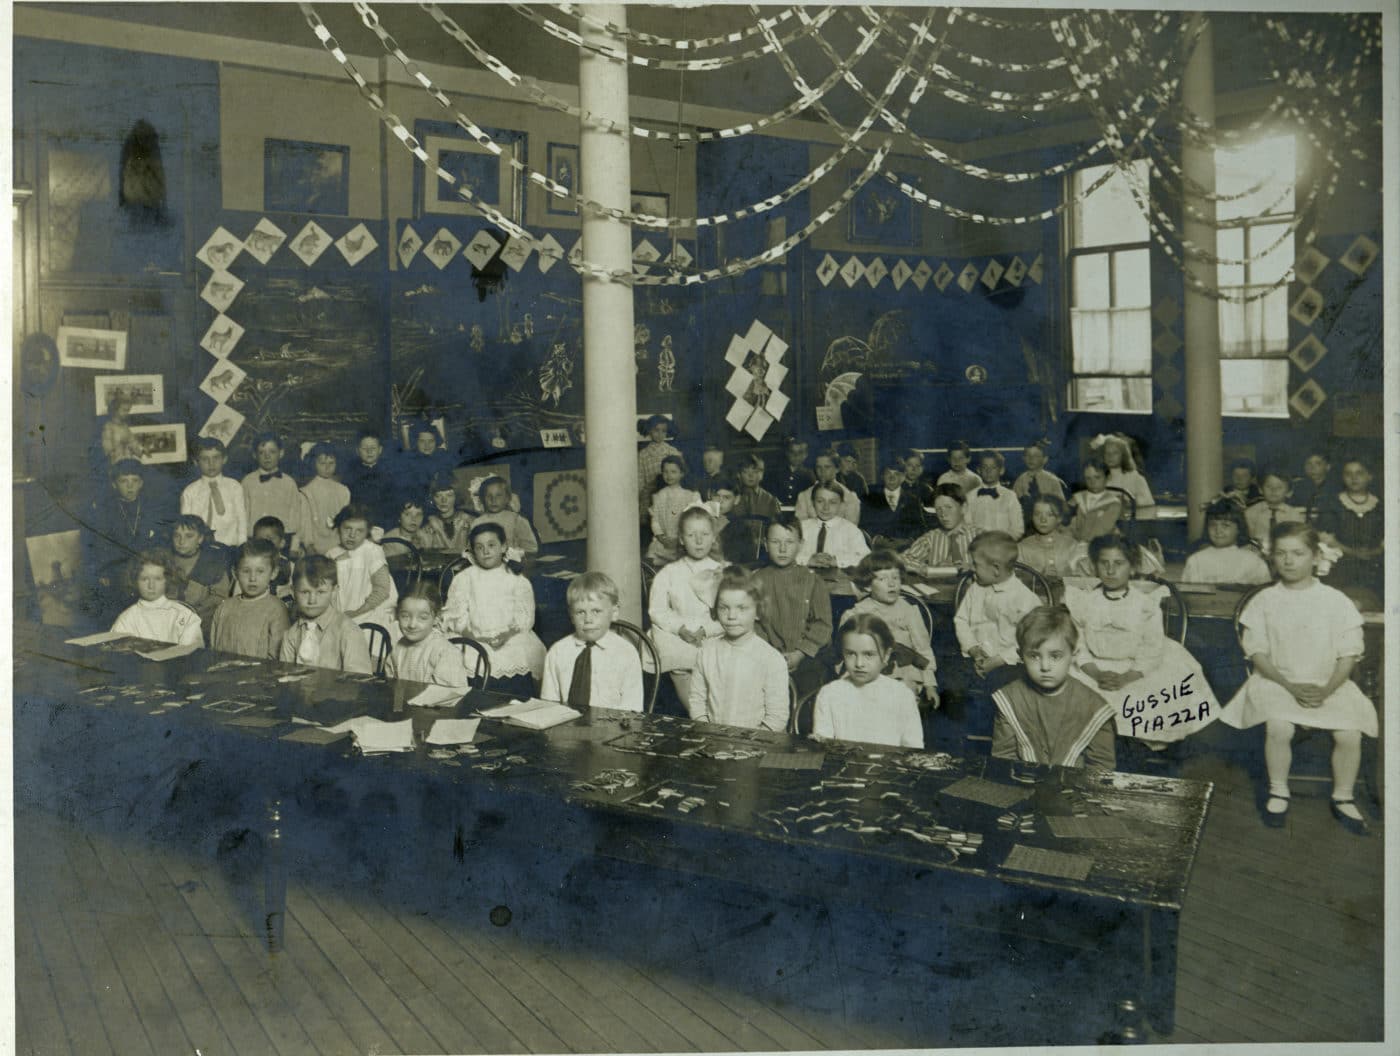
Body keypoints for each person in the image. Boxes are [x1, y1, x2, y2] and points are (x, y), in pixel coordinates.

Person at [1220, 523, 1377, 834]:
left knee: (1349, 733)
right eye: (1281, 554)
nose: (1289, 561)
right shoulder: (1265, 601)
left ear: (1316, 557)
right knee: (1279, 726)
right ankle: (1279, 789)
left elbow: (1348, 654)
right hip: (1276, 680)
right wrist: (1289, 686)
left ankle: (1343, 796)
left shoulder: (1335, 600)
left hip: (1328, 682)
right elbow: (1259, 653)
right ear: (1272, 558)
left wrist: (1326, 689)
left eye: (1298, 553)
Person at [1064, 533, 1219, 744]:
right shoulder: (1085, 602)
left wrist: (1127, 677)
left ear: (1132, 567)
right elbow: (1078, 646)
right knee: (1070, 691)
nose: (1110, 570)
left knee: (1148, 695)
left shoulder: (1145, 604)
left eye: (1118, 563)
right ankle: (1098, 750)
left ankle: (1134, 751)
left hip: (1137, 668)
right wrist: (1097, 673)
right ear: (1094, 566)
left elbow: (1152, 649)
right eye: (1104, 563)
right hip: (1094, 666)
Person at [991, 606, 1116, 770]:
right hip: (1023, 784)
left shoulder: (1093, 706)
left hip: (1075, 789)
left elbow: (1102, 769)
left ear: (1074, 655)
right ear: (1021, 655)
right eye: (1034, 656)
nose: (1045, 666)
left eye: (1055, 656)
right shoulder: (1009, 698)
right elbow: (1003, 760)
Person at [441, 523, 545, 694]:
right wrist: (470, 634)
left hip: (510, 636)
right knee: (466, 655)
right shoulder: (464, 578)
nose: (486, 551)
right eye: (479, 547)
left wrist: (507, 634)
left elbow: (524, 617)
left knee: (517, 653)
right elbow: (456, 613)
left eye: (491, 545)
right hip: (473, 635)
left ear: (503, 546)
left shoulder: (516, 579)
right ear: (472, 551)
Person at [688, 565, 789, 730]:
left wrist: (747, 745)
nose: (731, 616)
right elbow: (697, 702)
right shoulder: (707, 651)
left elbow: (776, 718)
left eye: (742, 608)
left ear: (758, 611)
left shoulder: (771, 659)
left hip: (756, 744)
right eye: (724, 608)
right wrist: (708, 731)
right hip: (713, 740)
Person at [647, 506, 724, 702]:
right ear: (681, 539)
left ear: (713, 537)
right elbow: (657, 611)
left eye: (705, 534)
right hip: (678, 632)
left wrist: (704, 631)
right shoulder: (669, 573)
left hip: (711, 631)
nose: (699, 541)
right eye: (691, 535)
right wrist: (679, 628)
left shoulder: (720, 571)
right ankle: (697, 715)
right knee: (678, 659)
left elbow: (728, 612)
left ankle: (715, 712)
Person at [753, 516, 834, 700]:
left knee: (811, 692)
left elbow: (823, 624)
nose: (782, 549)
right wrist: (772, 655)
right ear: (765, 544)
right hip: (767, 655)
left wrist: (800, 653)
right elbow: (753, 623)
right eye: (775, 542)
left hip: (806, 656)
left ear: (801, 544)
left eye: (789, 542)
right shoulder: (757, 579)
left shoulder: (813, 580)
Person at [813, 613, 924, 749]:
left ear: (886, 655)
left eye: (869, 654)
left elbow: (913, 748)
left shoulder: (902, 695)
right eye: (851, 653)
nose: (859, 663)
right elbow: (822, 747)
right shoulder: (829, 694)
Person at [841, 550, 937, 704]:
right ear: (867, 586)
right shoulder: (855, 614)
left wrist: (930, 684)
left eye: (896, 577)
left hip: (904, 673)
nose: (892, 584)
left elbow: (923, 650)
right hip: (865, 673)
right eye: (883, 579)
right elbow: (845, 655)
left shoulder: (909, 611)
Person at [540, 571, 644, 712]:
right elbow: (548, 705)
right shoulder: (557, 652)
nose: (588, 619)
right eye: (580, 612)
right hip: (567, 729)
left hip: (612, 729)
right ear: (571, 616)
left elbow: (633, 708)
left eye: (596, 611)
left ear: (614, 613)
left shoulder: (626, 654)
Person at [953, 531, 1041, 693]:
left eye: (976, 564)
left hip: (1008, 663)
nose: (971, 568)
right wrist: (973, 649)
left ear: (996, 569)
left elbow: (1029, 642)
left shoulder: (1025, 599)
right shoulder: (976, 588)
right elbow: (961, 620)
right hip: (974, 657)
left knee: (1000, 689)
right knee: (951, 683)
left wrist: (997, 660)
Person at [84, 459, 167, 601]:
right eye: (123, 481)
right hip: (117, 571)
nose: (130, 486)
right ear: (114, 484)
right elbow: (98, 544)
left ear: (141, 483)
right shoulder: (105, 510)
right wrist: (103, 572)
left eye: (135, 481)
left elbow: (160, 540)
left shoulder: (151, 507)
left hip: (147, 570)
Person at [279, 555, 374, 674]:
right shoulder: (291, 635)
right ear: (292, 592)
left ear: (334, 591)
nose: (312, 600)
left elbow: (359, 681)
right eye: (305, 592)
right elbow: (285, 677)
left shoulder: (349, 632)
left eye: (321, 592)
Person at [209, 538, 291, 659]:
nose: (253, 578)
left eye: (260, 571)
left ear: (273, 573)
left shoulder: (277, 609)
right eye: (246, 571)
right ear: (235, 573)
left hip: (260, 675)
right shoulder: (224, 607)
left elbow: (279, 657)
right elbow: (213, 648)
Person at [1315, 457, 1384, 595]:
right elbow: (1327, 539)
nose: (1354, 478)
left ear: (1369, 476)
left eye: (1359, 473)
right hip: (1340, 563)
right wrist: (1355, 553)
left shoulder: (1381, 505)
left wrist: (1372, 553)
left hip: (1375, 563)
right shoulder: (1332, 503)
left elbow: (1388, 539)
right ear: (1343, 477)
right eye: (1348, 473)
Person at [326, 504, 398, 631]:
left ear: (367, 532)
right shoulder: (332, 553)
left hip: (369, 614)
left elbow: (382, 590)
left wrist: (357, 612)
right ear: (338, 528)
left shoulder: (372, 551)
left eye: (359, 531)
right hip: (341, 614)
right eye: (347, 528)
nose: (352, 535)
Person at [383, 586, 471, 690]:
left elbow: (449, 696)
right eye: (405, 616)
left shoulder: (446, 654)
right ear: (397, 615)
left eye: (422, 618)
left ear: (436, 619)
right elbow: (392, 686)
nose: (412, 624)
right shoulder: (399, 647)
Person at [111, 550, 203, 646]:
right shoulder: (126, 619)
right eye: (144, 579)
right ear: (135, 581)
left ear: (167, 580)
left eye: (158, 579)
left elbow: (193, 652)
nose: (151, 586)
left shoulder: (184, 615)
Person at [240, 431, 306, 554]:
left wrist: (294, 546)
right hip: (255, 541)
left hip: (282, 542)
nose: (267, 456)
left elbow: (296, 517)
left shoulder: (289, 482)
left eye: (272, 452)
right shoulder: (247, 482)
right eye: (261, 452)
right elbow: (243, 513)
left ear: (281, 453)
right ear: (254, 455)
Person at [1182, 500, 1272, 585]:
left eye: (1225, 525)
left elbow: (1265, 595)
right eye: (1213, 525)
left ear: (1239, 529)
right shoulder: (1196, 560)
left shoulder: (1254, 561)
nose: (1218, 530)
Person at [166, 514, 233, 627]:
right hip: (169, 621)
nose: (181, 541)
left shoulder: (213, 562)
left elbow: (219, 597)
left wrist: (193, 615)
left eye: (189, 536)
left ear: (200, 538)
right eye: (177, 535)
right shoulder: (165, 560)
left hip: (202, 622)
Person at [180, 436, 248, 547]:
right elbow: (187, 524)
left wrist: (242, 545)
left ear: (224, 459)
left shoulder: (234, 486)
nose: (211, 463)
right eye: (205, 459)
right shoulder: (190, 491)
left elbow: (241, 519)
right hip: (201, 547)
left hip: (230, 545)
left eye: (216, 458)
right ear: (196, 462)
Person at [902, 484, 977, 574]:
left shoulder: (980, 536)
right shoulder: (931, 537)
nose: (943, 514)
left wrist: (972, 568)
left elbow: (994, 565)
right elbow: (903, 560)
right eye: (938, 509)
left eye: (948, 507)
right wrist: (931, 569)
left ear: (963, 508)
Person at [796, 482, 869, 570]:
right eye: (820, 501)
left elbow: (866, 558)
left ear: (841, 505)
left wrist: (837, 561)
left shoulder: (851, 530)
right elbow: (785, 554)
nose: (826, 507)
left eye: (832, 502)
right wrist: (807, 560)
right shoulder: (801, 528)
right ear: (812, 503)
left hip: (839, 580)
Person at [646, 455, 701, 564]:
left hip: (683, 540)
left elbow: (695, 521)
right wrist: (661, 538)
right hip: (664, 541)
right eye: (665, 472)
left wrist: (679, 539)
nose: (669, 475)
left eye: (673, 472)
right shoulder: (659, 495)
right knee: (654, 559)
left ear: (682, 473)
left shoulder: (690, 495)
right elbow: (655, 521)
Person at [298, 442, 350, 556]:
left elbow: (346, 522)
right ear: (313, 463)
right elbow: (306, 525)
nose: (327, 467)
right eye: (322, 463)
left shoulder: (343, 490)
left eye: (331, 463)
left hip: (341, 547)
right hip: (316, 549)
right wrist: (309, 546)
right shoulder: (306, 492)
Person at [342, 430, 398, 530]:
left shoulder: (390, 472)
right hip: (360, 522)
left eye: (373, 448)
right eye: (364, 448)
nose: (369, 451)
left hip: (386, 523)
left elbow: (394, 504)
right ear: (357, 451)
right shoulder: (351, 474)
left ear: (380, 450)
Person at [1243, 469, 1306, 555]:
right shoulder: (1251, 512)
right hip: (1257, 554)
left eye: (1279, 487)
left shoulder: (1294, 515)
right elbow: (1246, 539)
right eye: (1269, 486)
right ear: (1261, 490)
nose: (1273, 490)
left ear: (1289, 493)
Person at [863, 461, 927, 545]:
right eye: (888, 473)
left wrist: (907, 541)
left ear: (903, 477)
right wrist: (875, 539)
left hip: (904, 550)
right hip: (878, 549)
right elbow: (864, 524)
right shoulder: (871, 498)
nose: (891, 478)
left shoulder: (912, 500)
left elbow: (920, 527)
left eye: (896, 474)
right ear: (882, 476)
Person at [965, 450, 1024, 539]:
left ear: (1001, 470)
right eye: (984, 467)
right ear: (978, 470)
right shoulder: (970, 496)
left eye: (993, 467)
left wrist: (1001, 542)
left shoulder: (1010, 496)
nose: (988, 471)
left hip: (1003, 546)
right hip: (978, 545)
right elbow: (966, 525)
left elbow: (1018, 529)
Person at [730, 454, 782, 556]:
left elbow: (777, 528)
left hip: (763, 550)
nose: (751, 476)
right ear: (739, 475)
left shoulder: (770, 500)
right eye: (746, 472)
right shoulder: (731, 498)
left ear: (761, 474)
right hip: (735, 549)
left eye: (755, 472)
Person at [473, 476, 539, 554]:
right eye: (488, 496)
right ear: (482, 499)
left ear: (507, 498)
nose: (493, 500)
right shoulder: (477, 522)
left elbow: (531, 548)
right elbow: (472, 549)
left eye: (498, 495)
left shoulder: (516, 520)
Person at [795, 451, 862, 524]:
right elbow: (801, 529)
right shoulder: (804, 496)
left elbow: (851, 529)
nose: (822, 471)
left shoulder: (850, 498)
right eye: (818, 467)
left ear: (837, 469)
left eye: (827, 467)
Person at [1098, 433, 1155, 518]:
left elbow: (1149, 502)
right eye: (1107, 453)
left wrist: (1128, 502)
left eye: (1115, 453)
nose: (1110, 456)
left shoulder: (1135, 477)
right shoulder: (1102, 479)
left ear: (1123, 455)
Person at [637, 414, 681, 520]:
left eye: (663, 431)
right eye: (656, 430)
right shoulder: (643, 454)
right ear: (649, 431)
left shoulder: (672, 451)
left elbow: (680, 474)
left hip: (670, 492)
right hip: (650, 494)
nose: (660, 434)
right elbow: (640, 479)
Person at [1069, 457, 1123, 543]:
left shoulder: (1113, 503)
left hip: (1103, 543)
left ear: (1107, 477)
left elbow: (1101, 530)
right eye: (1088, 478)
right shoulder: (1077, 498)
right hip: (1076, 542)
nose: (1092, 482)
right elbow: (1066, 523)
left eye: (1097, 477)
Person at [419, 473, 473, 554]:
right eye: (438, 495)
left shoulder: (470, 521)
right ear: (432, 498)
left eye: (449, 495)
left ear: (456, 496)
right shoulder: (427, 526)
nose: (443, 500)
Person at [251, 516, 295, 600]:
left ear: (282, 543)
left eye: (269, 539)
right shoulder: (250, 564)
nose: (264, 543)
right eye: (259, 540)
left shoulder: (290, 566)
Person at [1012, 441, 1066, 505]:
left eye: (1036, 456)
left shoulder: (1053, 481)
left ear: (1045, 459)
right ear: (1023, 458)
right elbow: (1015, 504)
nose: (1031, 459)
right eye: (1027, 455)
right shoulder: (1020, 481)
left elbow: (1061, 505)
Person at [766, 437, 815, 506]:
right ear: (787, 453)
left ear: (806, 454)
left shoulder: (809, 475)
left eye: (800, 452)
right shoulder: (776, 473)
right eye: (792, 452)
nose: (796, 456)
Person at [100, 391, 143, 464]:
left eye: (128, 410)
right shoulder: (109, 427)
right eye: (124, 410)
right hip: (116, 464)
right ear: (115, 410)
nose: (127, 413)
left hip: (128, 461)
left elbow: (134, 443)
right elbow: (107, 450)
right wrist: (120, 446)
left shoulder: (125, 426)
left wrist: (140, 450)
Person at [1295, 450, 1334, 523]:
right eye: (1308, 464)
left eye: (1318, 464)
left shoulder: (1335, 488)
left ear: (1328, 467)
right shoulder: (1297, 487)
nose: (1312, 468)